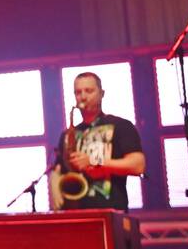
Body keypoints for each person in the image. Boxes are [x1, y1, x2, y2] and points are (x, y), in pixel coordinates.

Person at [52, 71, 145, 211]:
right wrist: (54, 183)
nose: (83, 96)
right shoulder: (67, 134)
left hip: (110, 211)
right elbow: (59, 169)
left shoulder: (121, 125)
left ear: (102, 94)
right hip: (75, 211)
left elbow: (138, 165)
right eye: (78, 92)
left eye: (89, 91)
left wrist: (94, 162)